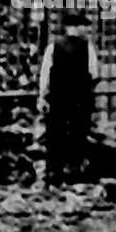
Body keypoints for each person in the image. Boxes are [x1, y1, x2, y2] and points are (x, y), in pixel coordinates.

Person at [38, 10, 98, 186]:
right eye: (82, 26)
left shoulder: (53, 47)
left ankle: (54, 173)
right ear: (75, 27)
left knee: (55, 136)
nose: (85, 30)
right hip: (80, 99)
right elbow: (94, 73)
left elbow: (45, 75)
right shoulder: (88, 48)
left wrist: (43, 96)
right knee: (78, 135)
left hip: (58, 98)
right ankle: (74, 172)